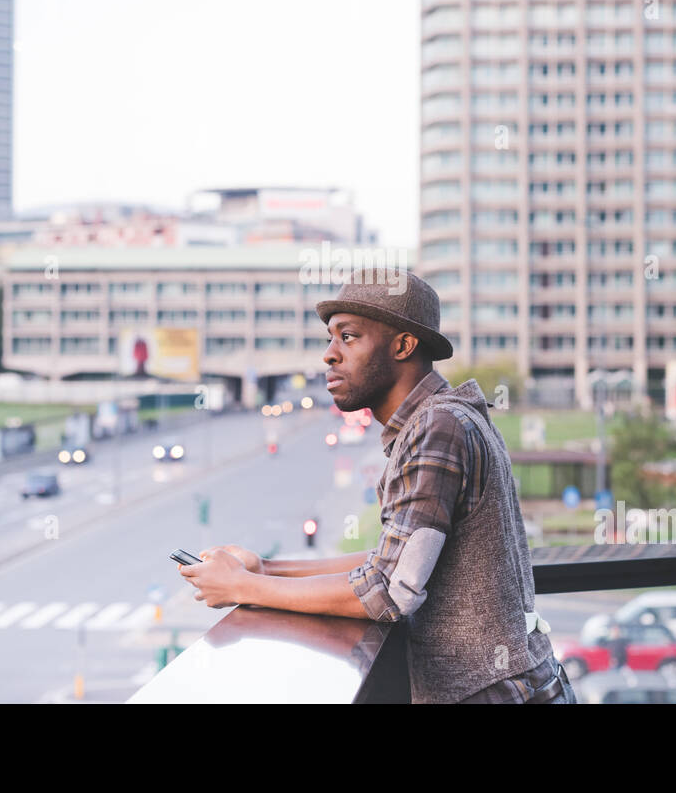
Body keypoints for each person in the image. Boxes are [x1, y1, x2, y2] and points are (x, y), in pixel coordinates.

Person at [177, 266, 575, 703]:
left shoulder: (438, 427)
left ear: (403, 344)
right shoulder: (443, 420)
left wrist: (241, 588)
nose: (329, 355)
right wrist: (265, 569)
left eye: (348, 337)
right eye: (330, 338)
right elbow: (396, 559)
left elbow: (387, 590)